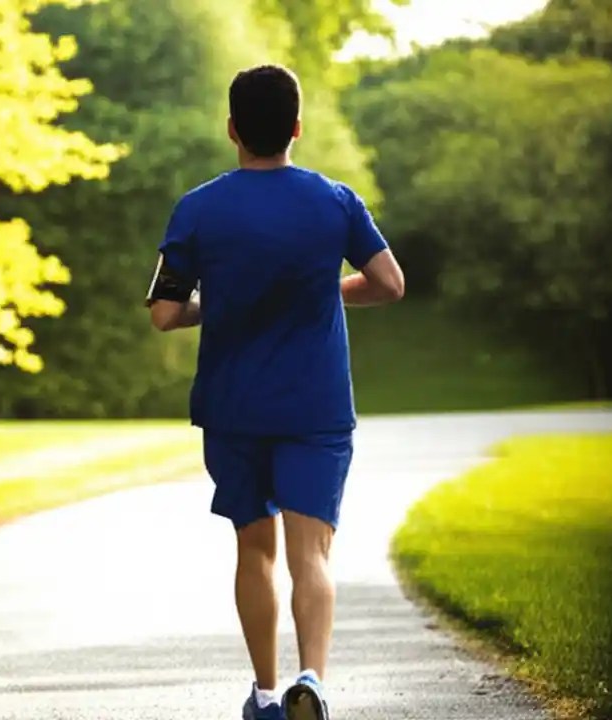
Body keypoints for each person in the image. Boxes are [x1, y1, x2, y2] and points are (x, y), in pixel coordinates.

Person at [143, 64, 405, 720]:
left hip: (233, 408)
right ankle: (312, 679)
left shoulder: (197, 209)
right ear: (297, 128)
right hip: (316, 407)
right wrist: (328, 289)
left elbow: (165, 312)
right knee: (311, 554)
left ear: (232, 129)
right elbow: (390, 283)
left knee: (254, 549)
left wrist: (219, 302)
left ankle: (264, 694)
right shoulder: (335, 201)